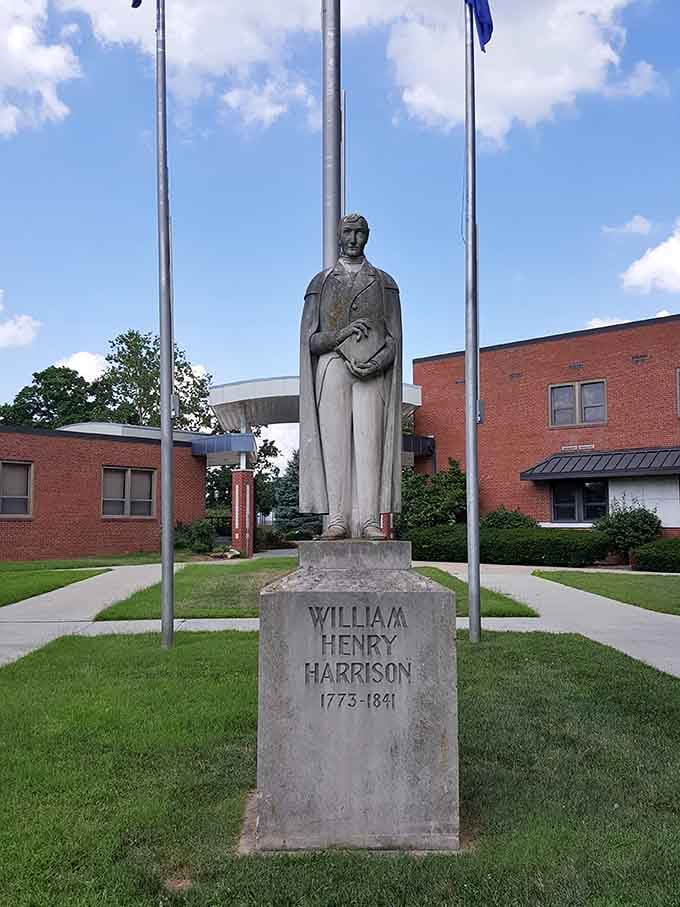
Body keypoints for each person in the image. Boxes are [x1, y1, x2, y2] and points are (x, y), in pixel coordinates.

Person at [299, 214, 402, 539]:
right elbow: (310, 340)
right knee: (335, 443)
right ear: (339, 236)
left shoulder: (384, 282)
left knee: (370, 443)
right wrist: (340, 335)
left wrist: (377, 363)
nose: (354, 239)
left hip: (372, 372)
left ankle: (369, 520)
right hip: (333, 366)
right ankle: (337, 519)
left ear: (368, 236)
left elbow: (394, 339)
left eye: (360, 233)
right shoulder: (321, 282)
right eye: (348, 232)